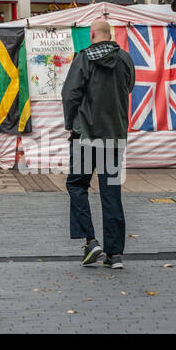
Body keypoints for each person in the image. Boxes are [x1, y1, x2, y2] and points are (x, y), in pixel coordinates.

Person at [61, 20, 135, 269]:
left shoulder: (83, 59)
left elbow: (69, 94)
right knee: (111, 193)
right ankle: (115, 255)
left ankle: (91, 241)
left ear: (92, 35)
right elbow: (129, 87)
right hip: (113, 137)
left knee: (77, 184)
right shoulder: (124, 59)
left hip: (86, 135)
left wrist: (70, 121)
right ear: (109, 35)